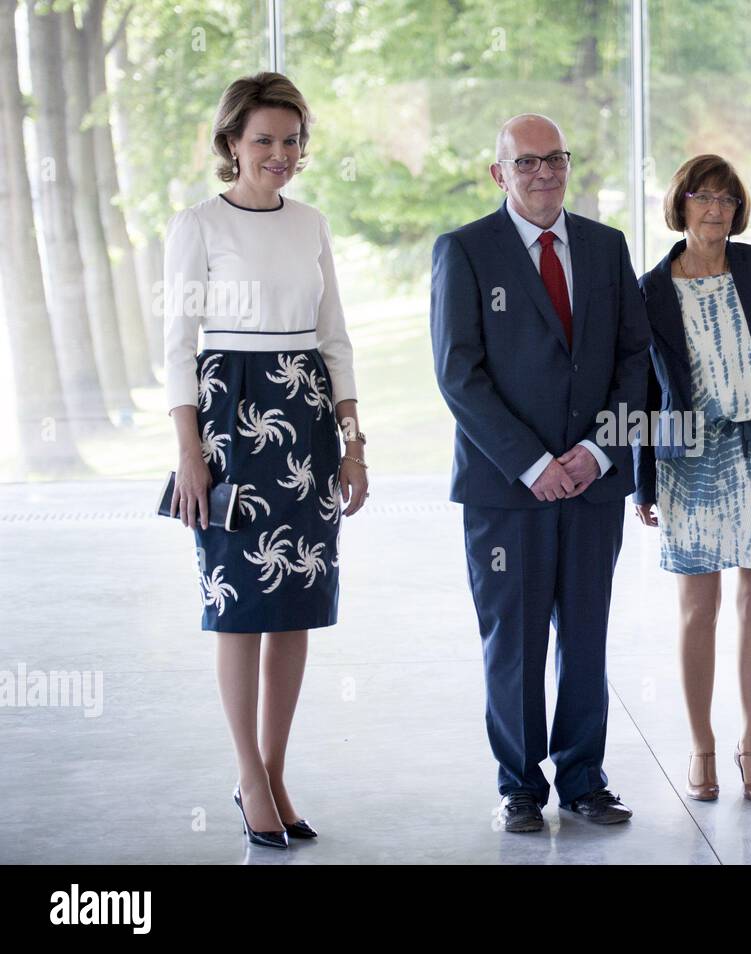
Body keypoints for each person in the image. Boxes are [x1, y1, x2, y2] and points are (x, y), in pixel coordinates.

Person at [164, 72, 369, 849]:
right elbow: (177, 349)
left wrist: (353, 445)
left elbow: (336, 340)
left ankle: (277, 772)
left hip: (307, 413)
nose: (280, 154)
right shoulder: (197, 225)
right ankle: (248, 774)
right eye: (263, 140)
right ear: (231, 145)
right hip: (229, 419)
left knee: (295, 605)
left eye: (290, 141)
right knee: (237, 607)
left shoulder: (311, 223)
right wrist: (190, 453)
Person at [431, 114, 650, 833]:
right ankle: (520, 786)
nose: (544, 173)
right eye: (526, 163)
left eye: (555, 159)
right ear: (500, 173)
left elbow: (632, 361)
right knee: (516, 641)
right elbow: (460, 375)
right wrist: (532, 464)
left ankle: (585, 778)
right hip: (506, 490)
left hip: (593, 484)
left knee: (586, 635)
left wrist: (594, 453)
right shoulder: (463, 252)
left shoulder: (607, 247)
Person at [634, 155, 751, 802]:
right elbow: (644, 391)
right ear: (679, 205)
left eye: (726, 199)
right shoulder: (651, 288)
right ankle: (702, 746)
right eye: (701, 196)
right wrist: (644, 480)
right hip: (692, 457)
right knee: (697, 610)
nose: (715, 209)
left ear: (739, 210)